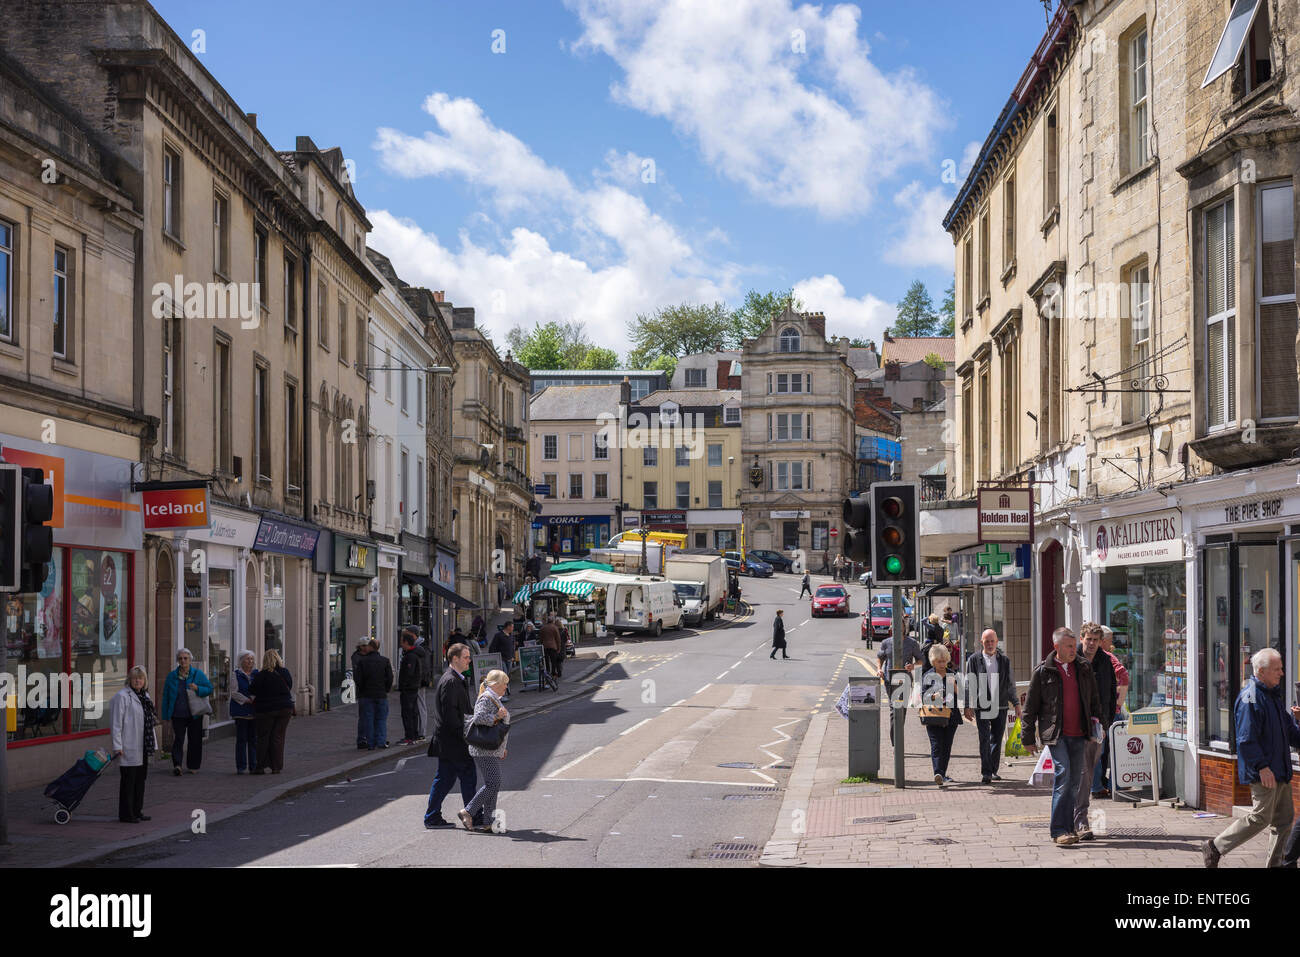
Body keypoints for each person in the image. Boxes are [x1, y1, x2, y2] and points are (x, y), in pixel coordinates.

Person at [1203, 648, 1300, 868]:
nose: (1282, 673)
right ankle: (1215, 846)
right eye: (1277, 669)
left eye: (1281, 668)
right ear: (1262, 671)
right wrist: (1262, 767)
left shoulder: (1272, 695)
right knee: (1260, 817)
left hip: (1281, 770)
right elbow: (1246, 739)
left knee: (1284, 821)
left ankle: (1276, 865)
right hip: (1265, 772)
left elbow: (1291, 733)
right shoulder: (1251, 697)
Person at [1022, 627, 1103, 846]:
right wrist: (1027, 739)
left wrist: (1097, 726)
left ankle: (1069, 828)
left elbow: (1094, 700)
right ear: (1056, 647)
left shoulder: (1083, 667)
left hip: (1081, 734)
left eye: (1073, 644)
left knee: (1075, 782)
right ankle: (1059, 830)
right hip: (1056, 734)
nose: (1073, 649)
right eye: (1068, 646)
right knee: (1064, 774)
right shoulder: (1043, 671)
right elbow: (1030, 708)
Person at [424, 643, 482, 828]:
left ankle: (432, 817)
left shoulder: (455, 679)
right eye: (465, 657)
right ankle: (473, 814)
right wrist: (467, 735)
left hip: (450, 740)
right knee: (467, 775)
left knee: (445, 779)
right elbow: (451, 716)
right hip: (454, 741)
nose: (469, 660)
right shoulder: (450, 681)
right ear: (454, 659)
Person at [963, 629, 1021, 784]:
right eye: (987, 641)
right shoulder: (974, 660)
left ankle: (993, 769)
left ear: (997, 642)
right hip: (982, 705)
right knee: (984, 739)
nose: (989, 644)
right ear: (981, 642)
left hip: (1001, 705)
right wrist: (967, 705)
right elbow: (969, 683)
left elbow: (1010, 684)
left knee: (996, 738)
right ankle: (986, 772)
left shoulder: (1004, 660)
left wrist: (1016, 703)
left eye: (992, 641)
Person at [459, 669, 512, 833]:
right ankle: (468, 811)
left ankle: (488, 822)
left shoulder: (494, 697)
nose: (506, 687)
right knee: (493, 783)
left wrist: (502, 748)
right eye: (504, 684)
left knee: (493, 785)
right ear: (496, 684)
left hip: (490, 749)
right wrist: (497, 716)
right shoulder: (486, 698)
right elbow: (479, 718)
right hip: (483, 749)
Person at [110, 666, 157, 823]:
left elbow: (149, 723)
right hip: (128, 745)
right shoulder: (122, 696)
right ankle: (126, 814)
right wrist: (118, 746)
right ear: (129, 680)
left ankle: (137, 811)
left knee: (140, 780)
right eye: (135, 678)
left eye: (141, 678)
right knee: (128, 781)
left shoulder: (145, 697)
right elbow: (116, 724)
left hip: (143, 744)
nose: (138, 681)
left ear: (145, 681)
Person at [160, 648, 212, 776]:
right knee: (178, 739)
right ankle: (177, 765)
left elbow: (209, 689)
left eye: (185, 658)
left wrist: (198, 688)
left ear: (190, 660)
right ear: (178, 660)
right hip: (178, 714)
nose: (183, 661)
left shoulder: (197, 674)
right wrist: (166, 715)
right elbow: (166, 696)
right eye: (180, 658)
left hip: (194, 713)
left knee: (195, 740)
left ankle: (193, 766)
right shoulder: (172, 676)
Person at [920, 644, 963, 785]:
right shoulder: (928, 675)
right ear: (933, 661)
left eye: (944, 661)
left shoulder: (953, 674)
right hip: (934, 716)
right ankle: (937, 772)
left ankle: (942, 774)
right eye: (939, 661)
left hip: (951, 716)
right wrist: (933, 696)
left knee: (947, 746)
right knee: (936, 744)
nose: (942, 663)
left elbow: (962, 695)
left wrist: (956, 687)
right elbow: (922, 696)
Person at [248, 649, 293, 774]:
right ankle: (276, 767)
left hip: (266, 710)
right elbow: (290, 685)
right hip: (285, 708)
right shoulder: (284, 672)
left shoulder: (261, 675)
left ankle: (260, 766)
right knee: (278, 737)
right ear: (278, 659)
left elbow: (252, 689)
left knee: (264, 737)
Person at [878, 628, 924, 746]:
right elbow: (880, 657)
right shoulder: (886, 642)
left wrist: (913, 666)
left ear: (904, 627)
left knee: (902, 711)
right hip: (889, 680)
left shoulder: (912, 643)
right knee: (894, 710)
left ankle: (897, 740)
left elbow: (921, 660)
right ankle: (895, 744)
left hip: (905, 680)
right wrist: (879, 669)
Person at [355, 636, 394, 750]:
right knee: (381, 719)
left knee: (368, 719)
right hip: (381, 694)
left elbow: (358, 679)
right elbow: (390, 678)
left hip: (366, 695)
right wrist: (385, 689)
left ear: (370, 647)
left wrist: (362, 690)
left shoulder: (362, 661)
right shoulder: (385, 661)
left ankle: (370, 743)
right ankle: (381, 741)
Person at [229, 650, 258, 774]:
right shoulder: (236, 674)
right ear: (241, 661)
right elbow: (234, 692)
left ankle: (254, 765)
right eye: (247, 659)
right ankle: (241, 766)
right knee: (241, 739)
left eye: (251, 659)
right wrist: (246, 700)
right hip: (241, 711)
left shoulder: (257, 674)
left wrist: (255, 698)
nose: (250, 661)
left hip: (254, 711)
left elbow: (261, 688)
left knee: (253, 739)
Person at [397, 631, 423, 745]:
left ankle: (410, 736)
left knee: (408, 713)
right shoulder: (413, 655)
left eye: (402, 641)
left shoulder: (410, 656)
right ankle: (414, 735)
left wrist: (403, 686)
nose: (400, 644)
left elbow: (409, 673)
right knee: (413, 712)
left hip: (409, 689)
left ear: (406, 642)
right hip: (413, 687)